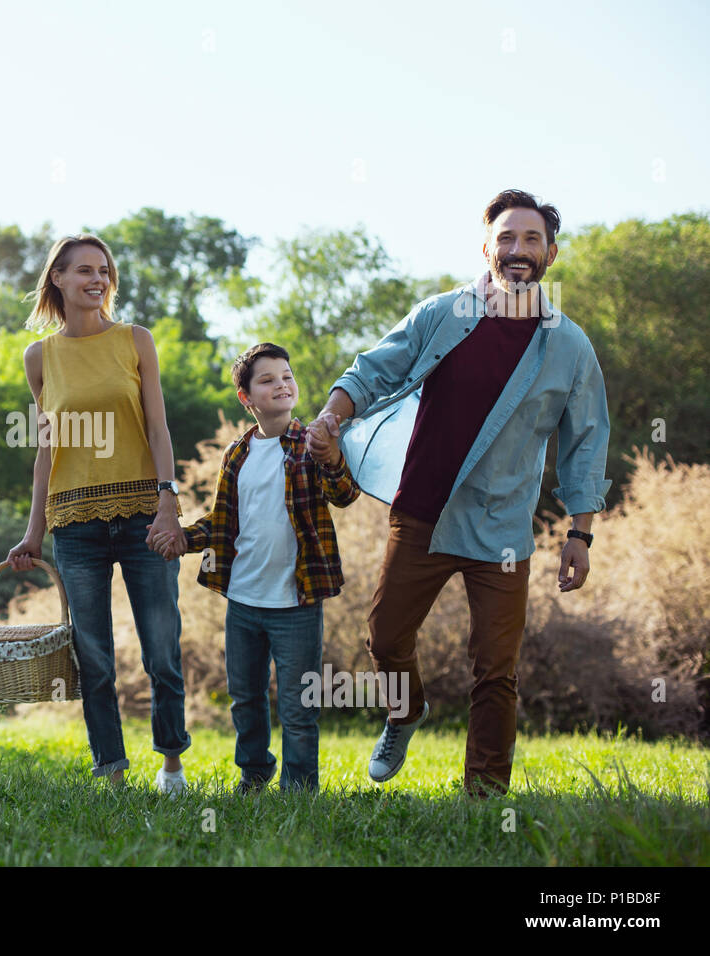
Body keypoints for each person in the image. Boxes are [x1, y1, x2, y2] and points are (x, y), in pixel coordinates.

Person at [307, 188, 611, 797]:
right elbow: (372, 370)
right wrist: (328, 418)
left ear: (551, 253)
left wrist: (579, 532)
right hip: (422, 509)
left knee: (495, 670)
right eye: (506, 238)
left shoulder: (570, 347)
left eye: (530, 239)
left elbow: (586, 441)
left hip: (502, 528)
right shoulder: (443, 313)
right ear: (486, 247)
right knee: (386, 638)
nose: (517, 250)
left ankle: (485, 793)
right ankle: (404, 712)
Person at [6, 234, 191, 793]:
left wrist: (168, 499)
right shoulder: (39, 357)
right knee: (95, 658)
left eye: (104, 270)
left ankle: (171, 763)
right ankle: (112, 772)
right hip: (75, 526)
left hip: (143, 517)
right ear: (57, 278)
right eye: (84, 269)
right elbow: (47, 448)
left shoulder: (135, 341)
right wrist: (32, 531)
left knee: (161, 648)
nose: (98, 278)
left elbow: (157, 428)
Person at [151, 343, 359, 794]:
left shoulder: (311, 444)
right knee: (245, 699)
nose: (281, 385)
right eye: (267, 380)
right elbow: (223, 523)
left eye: (286, 376)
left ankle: (299, 787)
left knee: (298, 704)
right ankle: (254, 773)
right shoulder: (236, 454)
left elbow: (344, 493)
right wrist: (183, 538)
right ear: (247, 397)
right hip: (243, 601)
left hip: (296, 602)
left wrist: (332, 457)